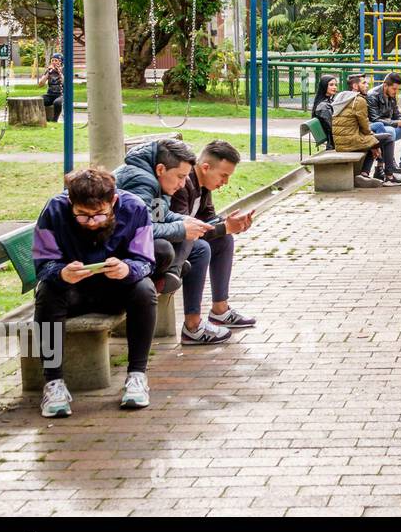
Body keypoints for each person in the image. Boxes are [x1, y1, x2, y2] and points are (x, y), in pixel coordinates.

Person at [33, 166, 158, 417]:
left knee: (145, 290)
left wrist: (127, 269)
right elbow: (44, 262)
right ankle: (53, 383)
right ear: (70, 202)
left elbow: (145, 260)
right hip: (73, 291)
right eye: (82, 215)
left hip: (116, 290)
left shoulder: (135, 208)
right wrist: (60, 272)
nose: (91, 222)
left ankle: (136, 376)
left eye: (99, 214)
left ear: (113, 200)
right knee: (47, 291)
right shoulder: (54, 210)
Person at [115, 139, 231, 345]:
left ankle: (136, 373)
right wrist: (183, 227)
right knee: (48, 305)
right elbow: (141, 229)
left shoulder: (155, 182)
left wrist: (185, 222)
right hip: (78, 274)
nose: (183, 183)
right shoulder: (57, 213)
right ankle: (51, 372)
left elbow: (160, 216)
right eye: (180, 176)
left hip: (73, 274)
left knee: (190, 240)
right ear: (160, 169)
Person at [168, 141, 258, 331]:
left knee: (224, 240)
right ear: (206, 167)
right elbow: (183, 230)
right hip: (169, 244)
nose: (225, 182)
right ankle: (192, 325)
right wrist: (225, 226)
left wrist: (232, 224)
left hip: (184, 240)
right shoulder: (182, 183)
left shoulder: (204, 186)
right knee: (202, 248)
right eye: (223, 175)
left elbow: (209, 220)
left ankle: (220, 309)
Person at [331, 73, 401, 187]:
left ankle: (365, 174)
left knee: (374, 137)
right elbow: (365, 127)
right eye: (364, 83)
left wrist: (373, 143)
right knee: (387, 137)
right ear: (355, 86)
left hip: (342, 141)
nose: (367, 85)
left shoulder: (342, 97)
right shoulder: (358, 100)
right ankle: (389, 176)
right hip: (351, 141)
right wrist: (374, 144)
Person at [366, 72, 401, 180]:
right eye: (394, 89)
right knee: (390, 131)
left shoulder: (391, 95)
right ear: (385, 85)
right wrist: (398, 123)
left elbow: (396, 115)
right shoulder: (373, 95)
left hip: (389, 127)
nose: (396, 92)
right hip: (376, 131)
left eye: (397, 89)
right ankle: (390, 168)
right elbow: (375, 120)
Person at [310, 75, 338, 149]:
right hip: (334, 143)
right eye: (331, 85)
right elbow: (332, 127)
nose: (334, 87)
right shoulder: (323, 106)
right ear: (324, 86)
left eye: (335, 85)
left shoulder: (329, 101)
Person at [38, 52, 65, 123]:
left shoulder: (65, 70)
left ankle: (54, 120)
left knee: (57, 103)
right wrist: (48, 73)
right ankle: (42, 119)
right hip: (50, 94)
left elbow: (66, 83)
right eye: (52, 60)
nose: (54, 62)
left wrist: (59, 71)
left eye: (56, 60)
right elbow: (40, 84)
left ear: (61, 62)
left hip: (61, 95)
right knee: (38, 100)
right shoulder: (49, 70)